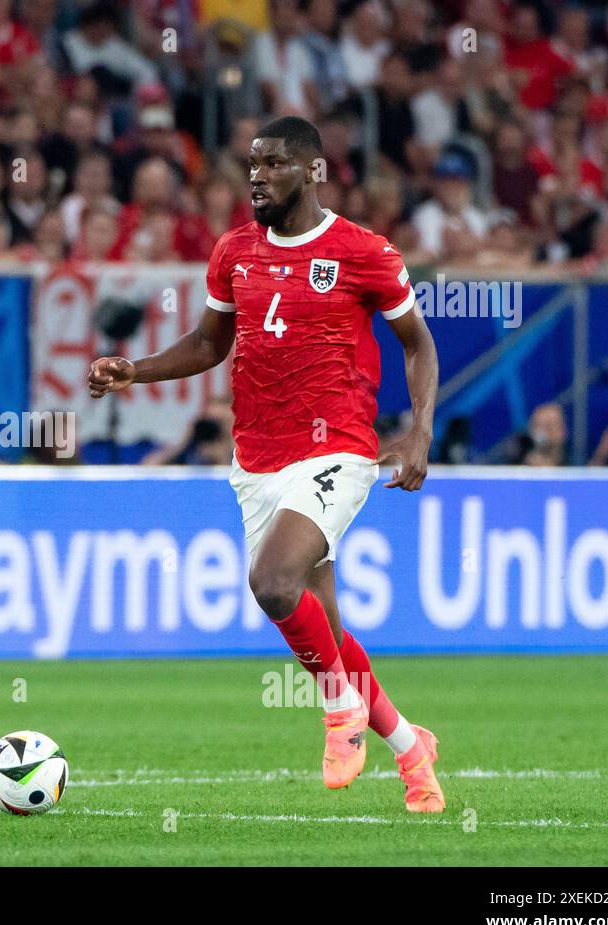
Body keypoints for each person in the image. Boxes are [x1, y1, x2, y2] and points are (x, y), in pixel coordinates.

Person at [88, 116, 445, 813]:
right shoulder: (234, 251)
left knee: (273, 582)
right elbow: (208, 342)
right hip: (258, 458)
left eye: (276, 164)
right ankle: (411, 750)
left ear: (312, 171)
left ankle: (340, 715)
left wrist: (419, 433)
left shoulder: (361, 251)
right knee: (329, 630)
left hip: (338, 446)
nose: (258, 176)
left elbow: (418, 345)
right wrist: (137, 371)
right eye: (253, 164)